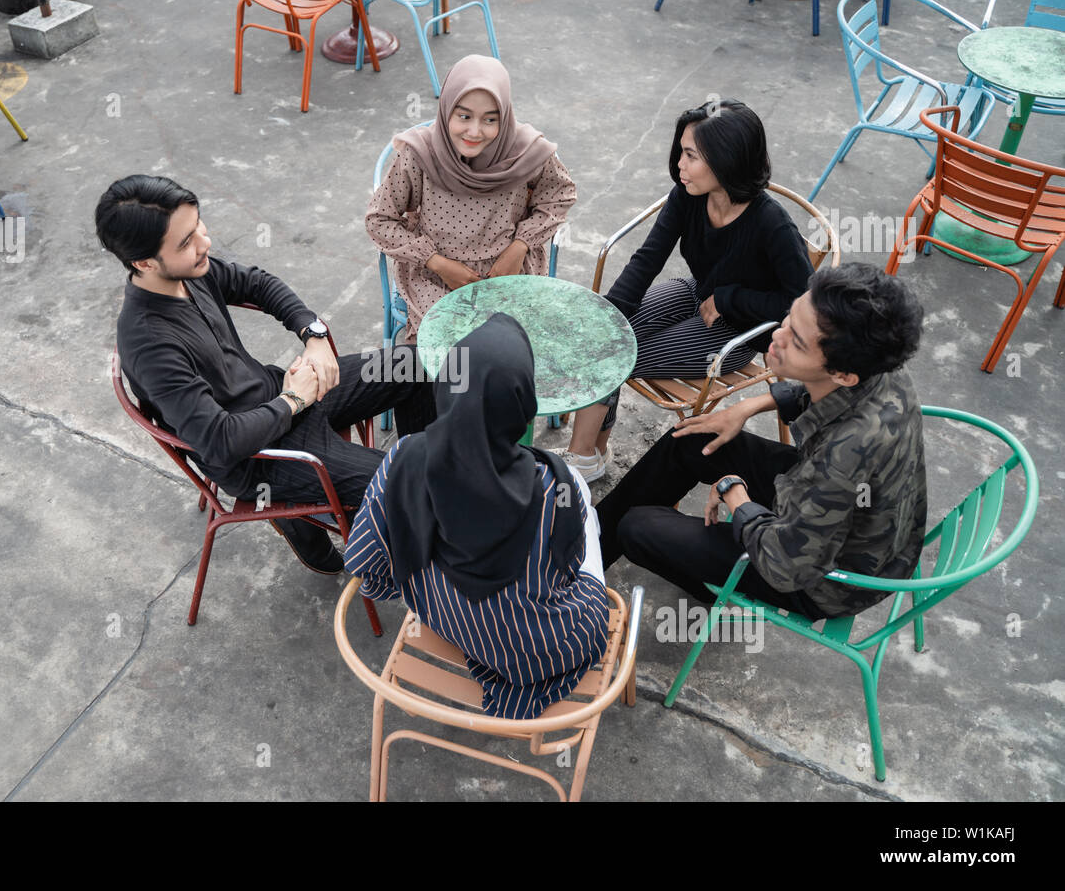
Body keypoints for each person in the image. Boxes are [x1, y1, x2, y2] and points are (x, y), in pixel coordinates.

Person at [100, 174, 434, 574]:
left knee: (418, 362)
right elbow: (220, 442)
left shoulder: (188, 273)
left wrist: (312, 334)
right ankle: (316, 518)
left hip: (284, 393)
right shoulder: (150, 344)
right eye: (186, 242)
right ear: (144, 262)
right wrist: (294, 401)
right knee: (412, 482)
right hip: (258, 454)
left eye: (198, 226)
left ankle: (430, 460)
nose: (204, 243)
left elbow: (257, 283)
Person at [596, 263, 927, 621]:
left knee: (637, 528)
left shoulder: (843, 456)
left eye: (797, 342)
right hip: (842, 512)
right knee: (696, 436)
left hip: (826, 577)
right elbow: (821, 391)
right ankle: (587, 547)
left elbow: (784, 566)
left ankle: (703, 583)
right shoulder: (881, 362)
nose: (778, 336)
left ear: (843, 373)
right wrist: (750, 405)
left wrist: (734, 493)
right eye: (789, 318)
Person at [344, 314, 609, 720]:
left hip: (442, 618)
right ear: (522, 405)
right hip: (539, 651)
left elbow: (369, 568)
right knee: (584, 510)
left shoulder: (403, 457)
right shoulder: (554, 488)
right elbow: (568, 571)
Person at [555, 98, 812, 482]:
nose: (679, 164)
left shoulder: (772, 225)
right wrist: (607, 313)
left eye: (691, 156)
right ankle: (590, 455)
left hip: (742, 330)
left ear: (726, 159)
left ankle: (581, 462)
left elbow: (802, 306)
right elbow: (648, 258)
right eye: (681, 152)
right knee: (606, 337)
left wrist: (729, 299)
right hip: (697, 293)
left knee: (617, 357)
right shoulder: (687, 196)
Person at [365, 54, 576, 344]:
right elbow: (379, 219)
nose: (475, 132)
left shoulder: (525, 153)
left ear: (505, 115)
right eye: (463, 116)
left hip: (508, 270)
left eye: (490, 119)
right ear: (446, 110)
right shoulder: (420, 156)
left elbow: (559, 194)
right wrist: (436, 263)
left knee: (511, 351)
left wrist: (519, 247)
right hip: (435, 276)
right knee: (451, 356)